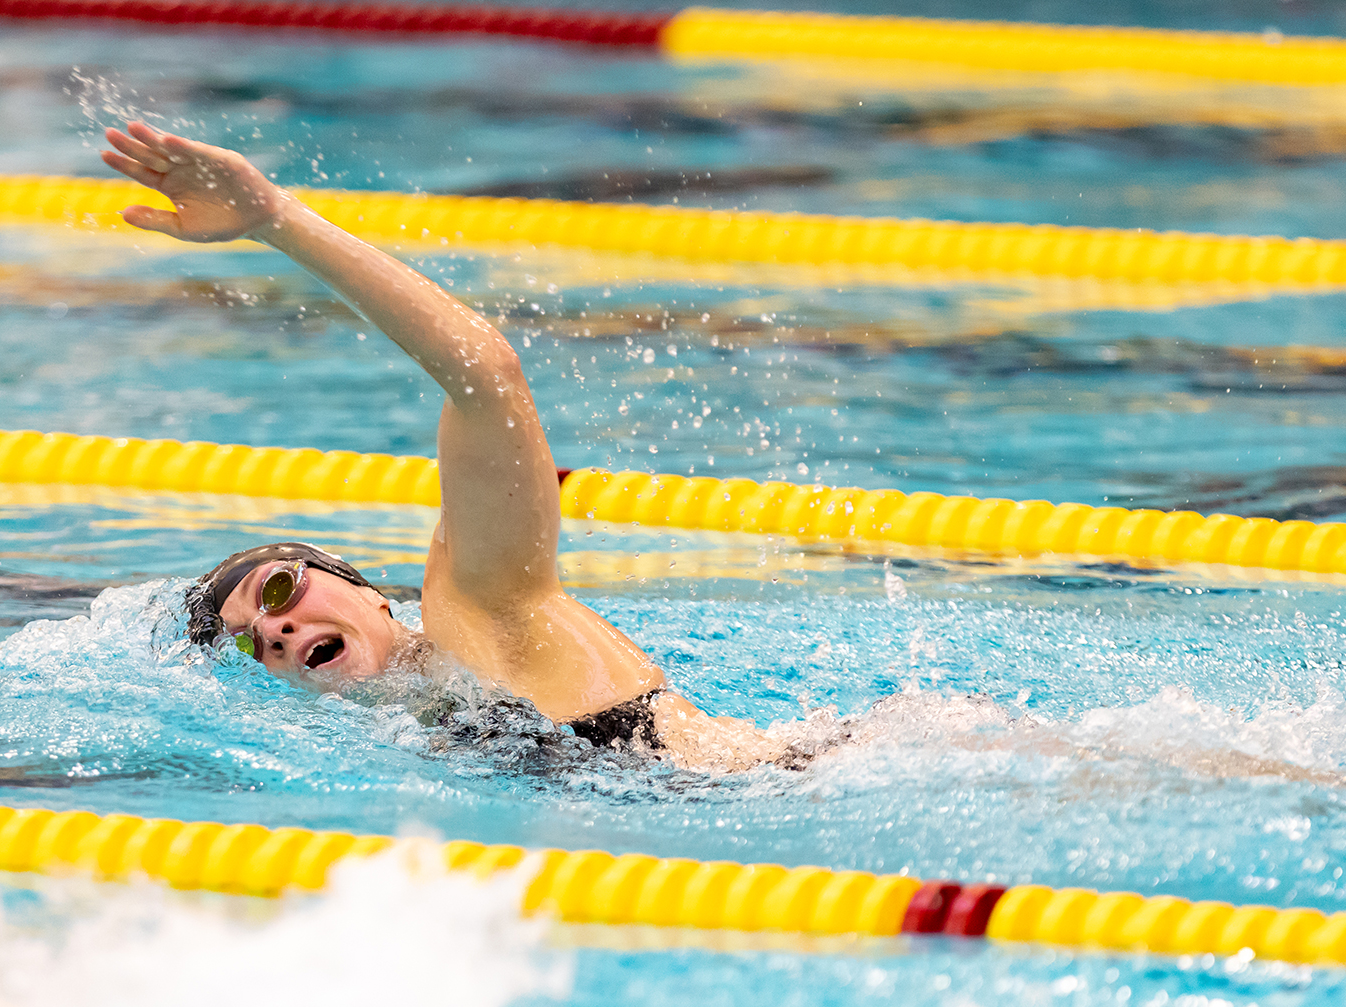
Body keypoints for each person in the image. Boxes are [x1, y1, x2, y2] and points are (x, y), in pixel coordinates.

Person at [101, 122, 815, 773]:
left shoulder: (477, 610)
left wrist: (277, 222)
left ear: (366, 591)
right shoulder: (400, 732)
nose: (276, 631)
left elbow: (487, 378)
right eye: (254, 646)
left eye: (278, 590)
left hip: (797, 785)